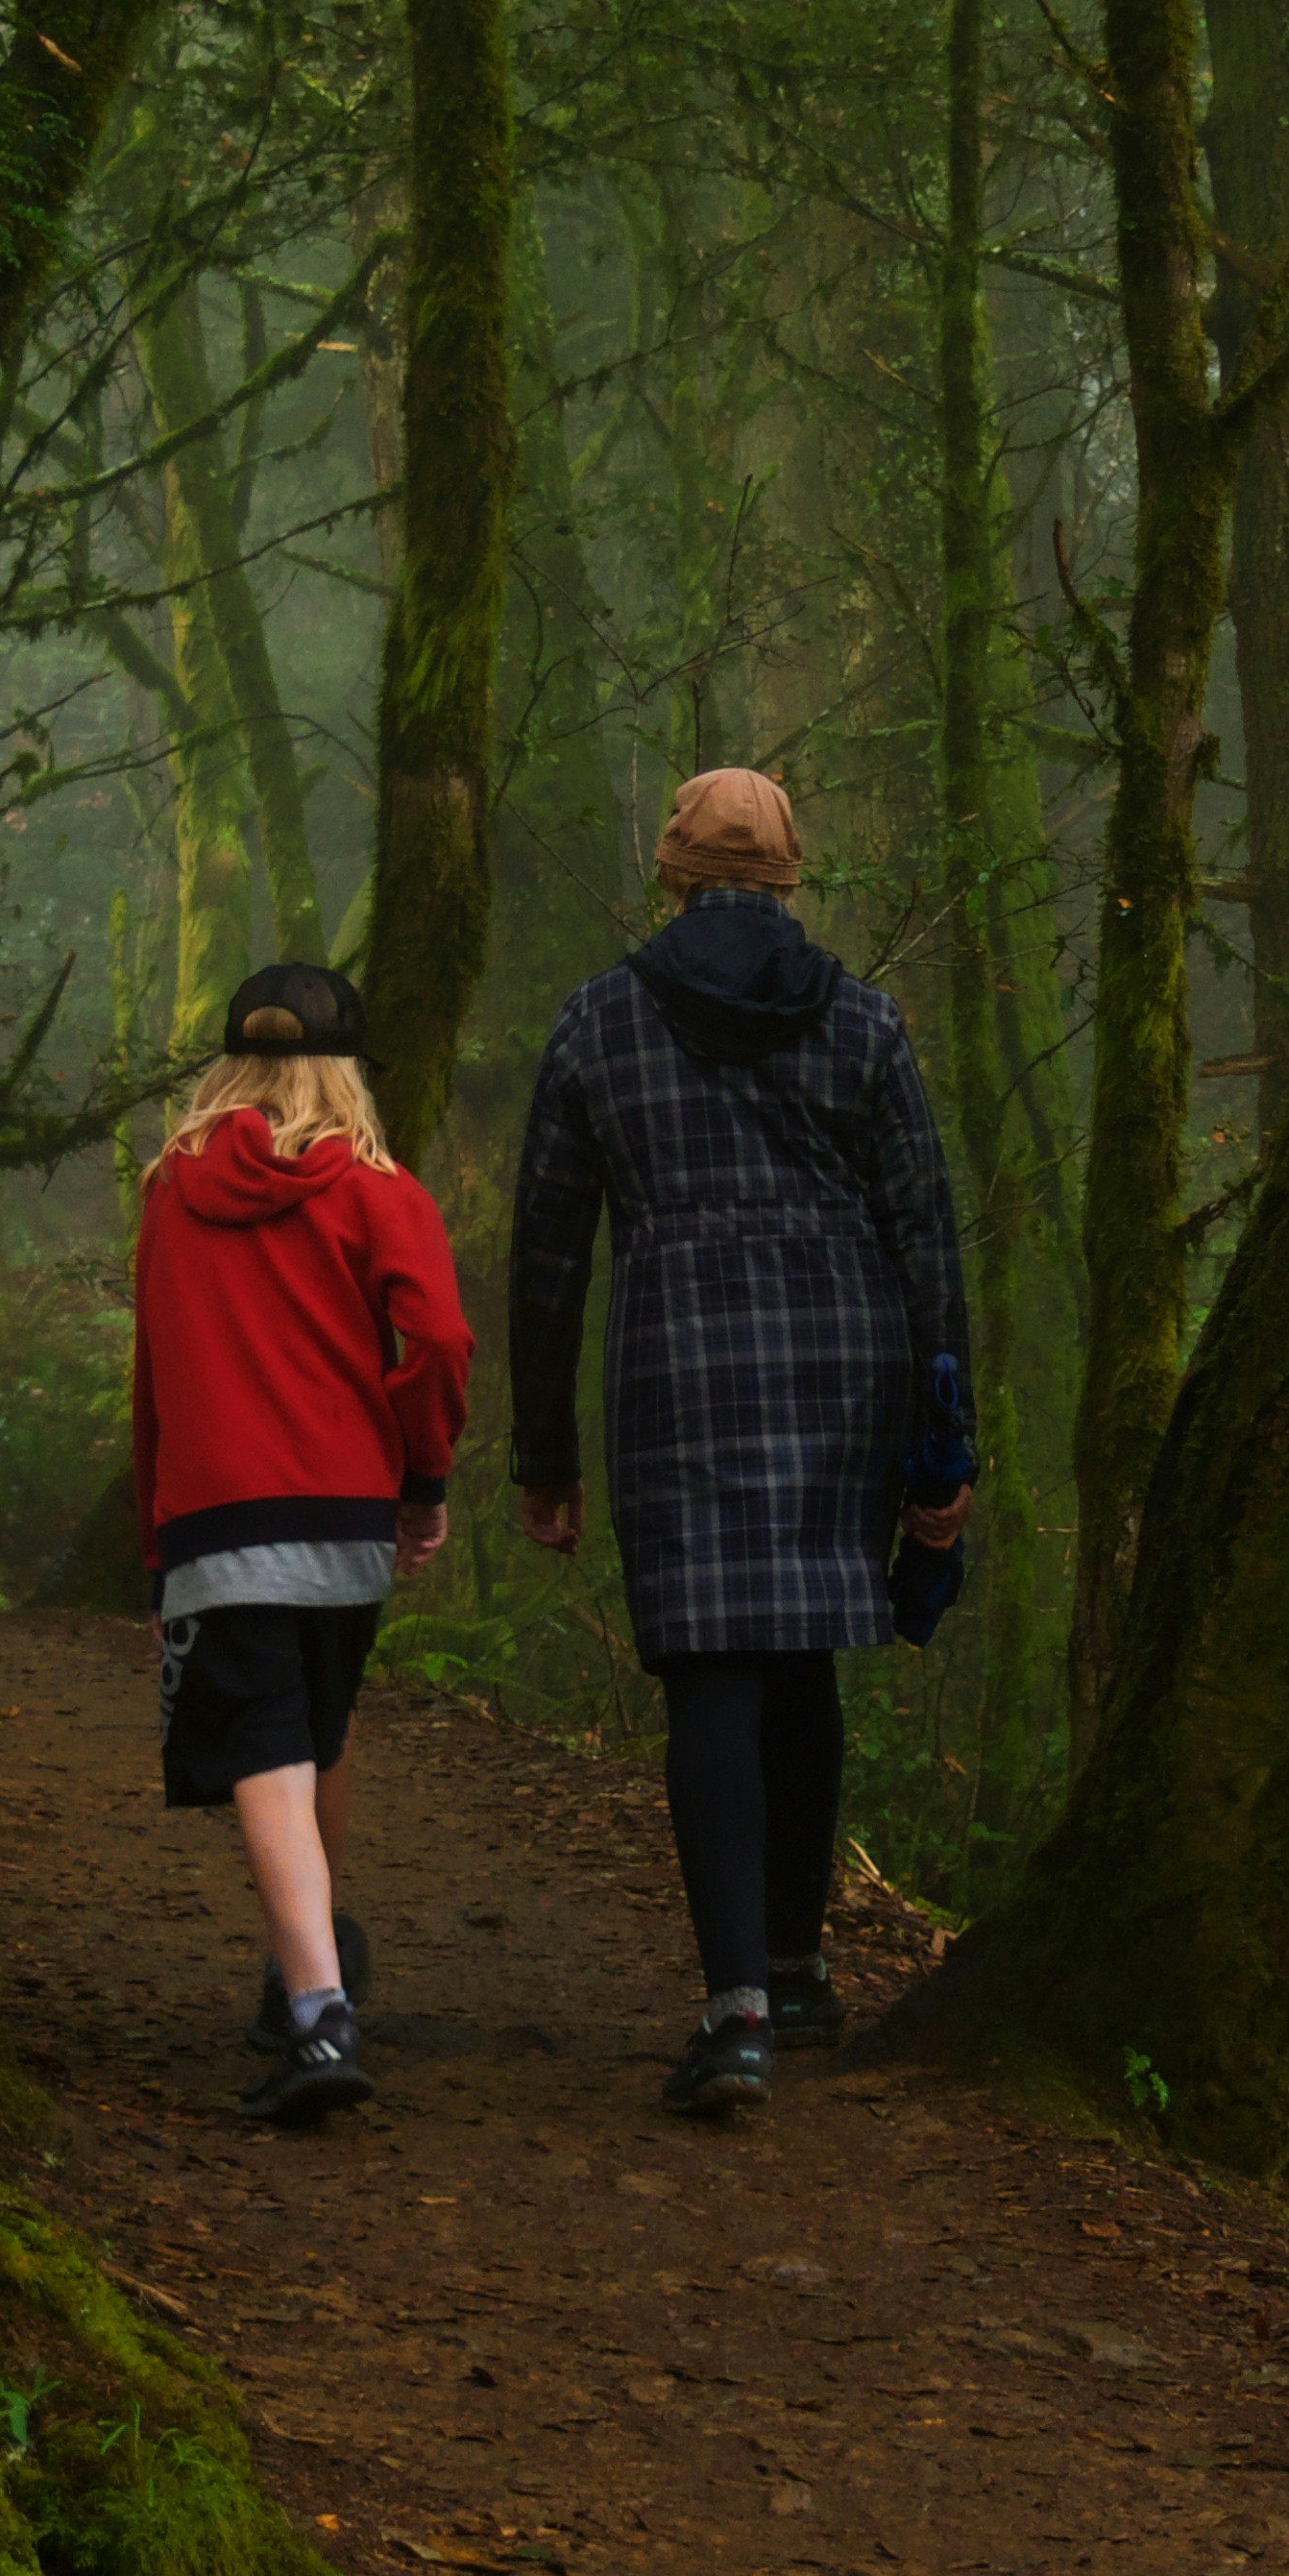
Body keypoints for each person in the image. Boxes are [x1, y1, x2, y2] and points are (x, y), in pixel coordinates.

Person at [507, 769, 973, 2120]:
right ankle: (800, 1961)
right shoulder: (867, 1024)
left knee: (712, 1663)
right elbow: (926, 1240)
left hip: (682, 1368)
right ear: (786, 878)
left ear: (671, 876)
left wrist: (543, 1455)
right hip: (846, 1366)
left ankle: (736, 2014)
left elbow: (548, 1252)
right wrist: (948, 1451)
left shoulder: (600, 1022)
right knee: (801, 1650)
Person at [131, 960, 470, 2128]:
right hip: (343, 1506)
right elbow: (437, 1341)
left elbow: (156, 1370)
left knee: (282, 1740)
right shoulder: (382, 1191)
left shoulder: (172, 1187)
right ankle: (309, 1977)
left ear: (233, 1065)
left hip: (222, 1509)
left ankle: (314, 2000)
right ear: (345, 1073)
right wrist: (420, 1477)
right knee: (305, 1733)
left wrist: (156, 1523)